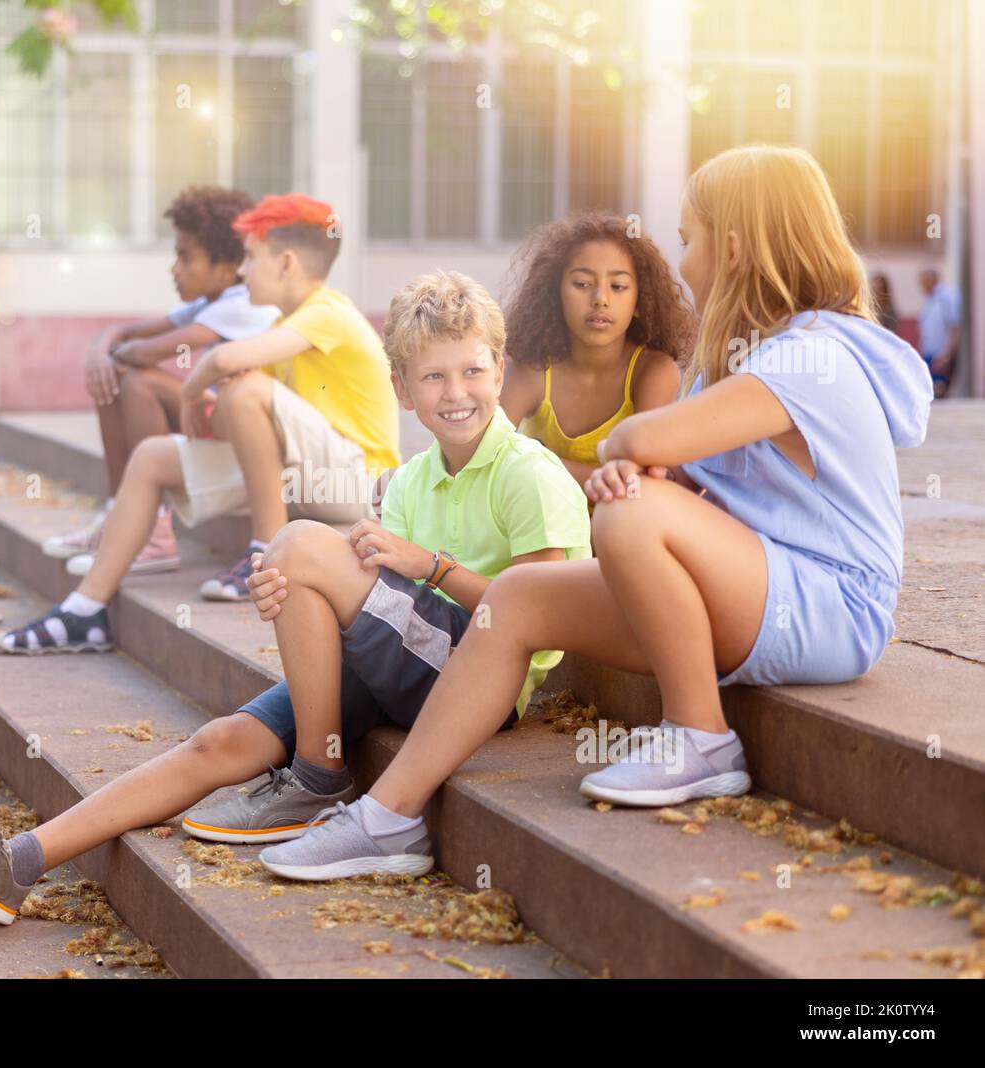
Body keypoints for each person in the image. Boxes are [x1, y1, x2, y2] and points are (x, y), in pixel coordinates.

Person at [252, 144, 933, 881]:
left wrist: (630, 464)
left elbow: (646, 440)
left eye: (688, 237)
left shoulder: (815, 356)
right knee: (517, 597)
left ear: (733, 244)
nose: (680, 259)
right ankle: (388, 819)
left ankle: (701, 736)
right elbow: (671, 465)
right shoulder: (747, 356)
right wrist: (638, 468)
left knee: (632, 512)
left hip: (832, 607)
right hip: (759, 589)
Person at [0, 270, 589, 919]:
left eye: (472, 370)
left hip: (477, 680)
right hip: (405, 664)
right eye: (433, 377)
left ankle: (318, 774)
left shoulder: (528, 473)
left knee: (302, 541)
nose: (456, 391)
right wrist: (298, 594)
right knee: (218, 738)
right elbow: (386, 592)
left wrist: (425, 564)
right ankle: (15, 863)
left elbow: (535, 613)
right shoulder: (410, 480)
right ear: (404, 390)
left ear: (500, 370)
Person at [0, 193, 401, 654]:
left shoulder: (328, 311)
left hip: (359, 486)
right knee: (153, 456)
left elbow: (227, 363)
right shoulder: (280, 325)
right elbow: (233, 415)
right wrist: (212, 403)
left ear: (286, 264)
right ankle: (85, 611)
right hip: (306, 478)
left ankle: (261, 551)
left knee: (243, 386)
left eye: (249, 257)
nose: (242, 271)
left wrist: (192, 392)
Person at [41, 186, 279, 576]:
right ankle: (119, 518)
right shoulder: (210, 301)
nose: (175, 268)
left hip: (251, 442)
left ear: (227, 268)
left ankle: (153, 533)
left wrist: (107, 353)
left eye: (186, 258)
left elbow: (144, 351)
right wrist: (101, 348)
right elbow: (125, 332)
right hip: (219, 427)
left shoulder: (243, 305)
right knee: (118, 378)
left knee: (138, 383)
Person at [500, 213, 692, 490]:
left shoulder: (653, 371)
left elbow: (643, 483)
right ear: (555, 294)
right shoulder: (530, 371)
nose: (600, 299)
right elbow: (487, 453)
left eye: (618, 287)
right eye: (582, 284)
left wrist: (537, 462)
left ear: (641, 301)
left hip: (620, 525)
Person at [916, 267, 961, 398]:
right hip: (929, 354)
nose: (921, 286)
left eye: (923, 282)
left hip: (941, 355)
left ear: (932, 280)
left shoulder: (947, 297)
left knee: (939, 394)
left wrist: (947, 354)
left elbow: (955, 327)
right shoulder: (930, 299)